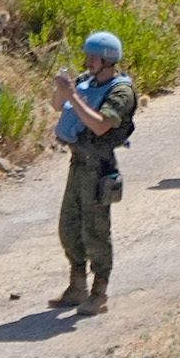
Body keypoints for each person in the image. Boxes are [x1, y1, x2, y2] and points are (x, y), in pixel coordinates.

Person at [47, 30, 136, 317]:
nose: (88, 62)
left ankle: (99, 292)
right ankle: (77, 286)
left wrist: (73, 94)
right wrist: (64, 90)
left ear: (108, 60)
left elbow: (100, 126)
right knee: (69, 226)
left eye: (93, 57)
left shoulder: (121, 92)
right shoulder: (86, 83)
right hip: (78, 162)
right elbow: (58, 106)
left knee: (96, 231)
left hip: (99, 167)